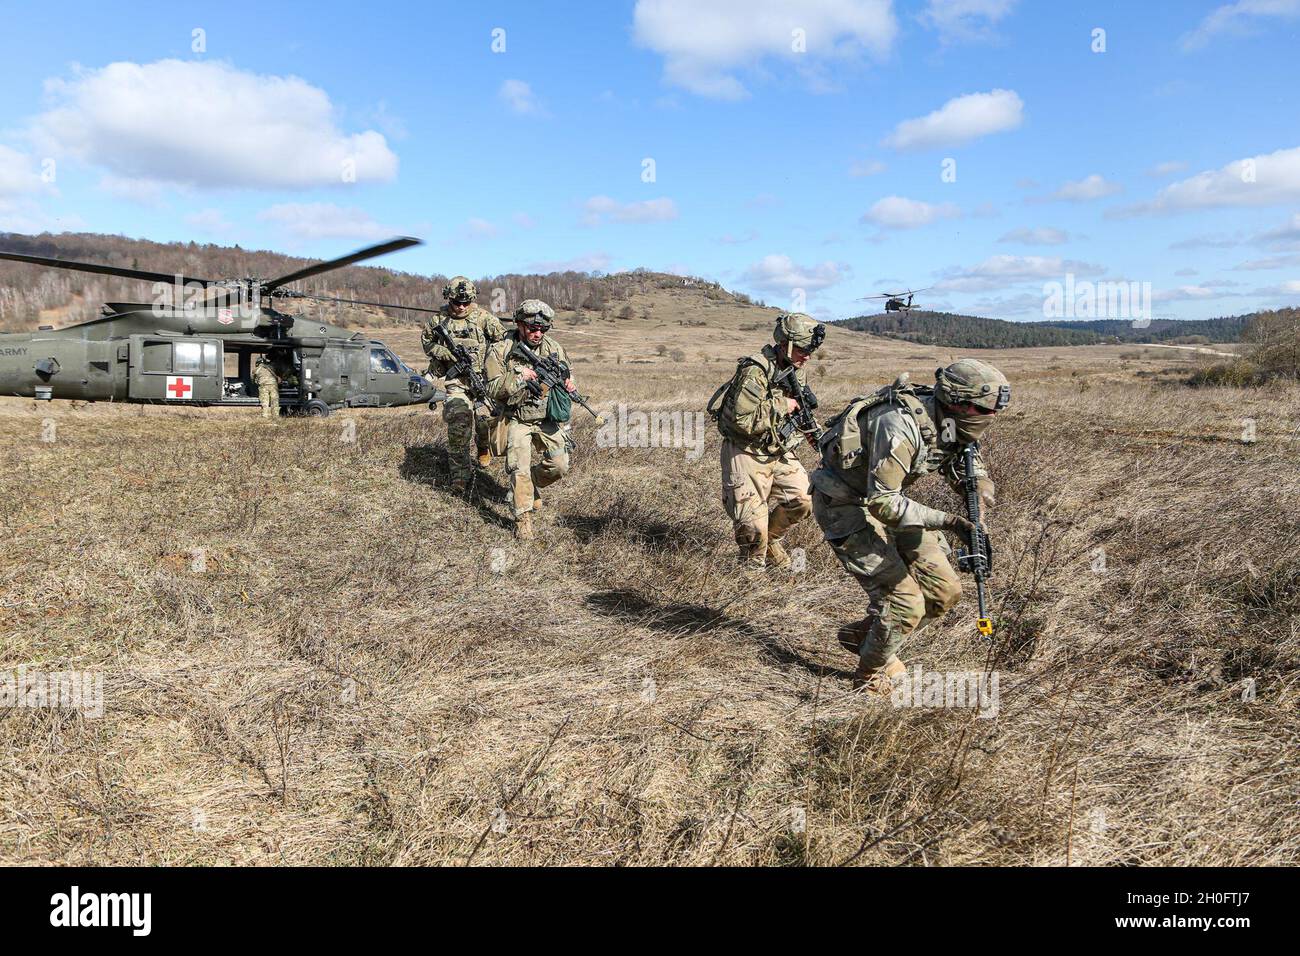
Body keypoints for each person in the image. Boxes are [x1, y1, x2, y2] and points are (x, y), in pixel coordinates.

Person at [809, 359, 1010, 695]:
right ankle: (870, 676)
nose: (992, 418)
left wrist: (979, 487)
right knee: (905, 603)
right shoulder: (898, 425)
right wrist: (949, 522)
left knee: (943, 592)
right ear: (960, 404)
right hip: (846, 505)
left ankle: (866, 636)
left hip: (891, 502)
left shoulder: (949, 420)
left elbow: (965, 461)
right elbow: (882, 503)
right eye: (985, 410)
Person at [708, 313, 824, 569]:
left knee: (803, 501)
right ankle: (751, 584)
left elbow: (801, 409)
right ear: (786, 345)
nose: (808, 357)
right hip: (746, 449)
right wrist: (783, 405)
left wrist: (814, 435)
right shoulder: (755, 371)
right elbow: (742, 420)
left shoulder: (795, 369)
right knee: (752, 529)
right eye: (804, 350)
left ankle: (770, 542)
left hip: (777, 449)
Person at [484, 299, 576, 540]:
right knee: (519, 469)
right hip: (516, 417)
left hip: (546, 417)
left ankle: (531, 484)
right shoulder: (501, 349)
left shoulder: (553, 348)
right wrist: (518, 376)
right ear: (519, 324)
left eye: (543, 330)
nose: (537, 334)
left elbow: (567, 372)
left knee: (560, 465)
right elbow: (492, 388)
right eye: (532, 328)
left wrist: (569, 382)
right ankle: (522, 519)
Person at [421, 275, 506, 492]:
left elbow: (503, 341)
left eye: (465, 303)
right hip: (456, 382)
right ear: (448, 299)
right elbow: (427, 342)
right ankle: (460, 478)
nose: (461, 307)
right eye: (456, 303)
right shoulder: (438, 321)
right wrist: (446, 353)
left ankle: (483, 447)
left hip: (483, 382)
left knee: (485, 422)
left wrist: (491, 360)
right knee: (458, 424)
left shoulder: (484, 319)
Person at [252, 355, 281, 421]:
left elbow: (253, 380)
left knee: (265, 401)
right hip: (273, 385)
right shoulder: (271, 367)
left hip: (263, 386)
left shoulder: (256, 369)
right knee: (275, 401)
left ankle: (265, 416)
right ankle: (275, 416)